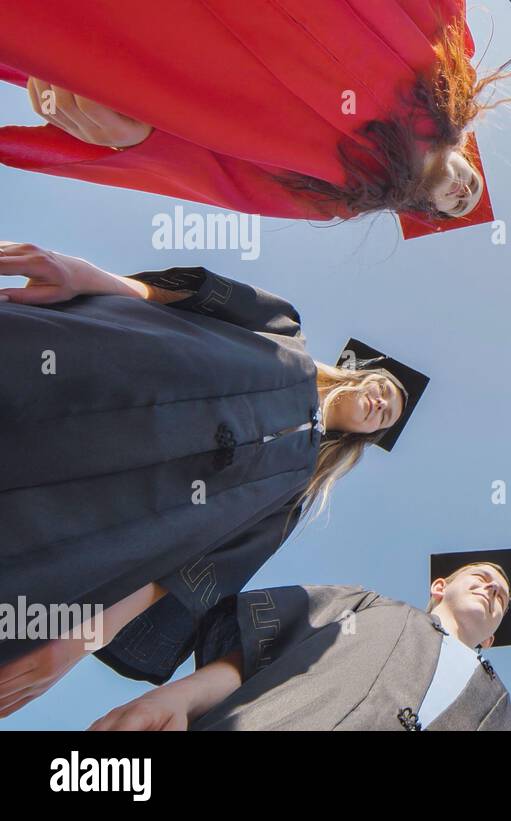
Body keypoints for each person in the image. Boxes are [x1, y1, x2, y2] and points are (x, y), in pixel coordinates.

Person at [0, 242, 428, 717]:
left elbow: (187, 578)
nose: (381, 404)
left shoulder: (291, 497)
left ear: (368, 439)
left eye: (386, 416)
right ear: (360, 375)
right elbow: (187, 296)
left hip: (76, 522)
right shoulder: (283, 331)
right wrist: (91, 277)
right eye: (382, 388)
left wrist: (78, 640)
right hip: (77, 381)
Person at [0, 0, 511, 238]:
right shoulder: (450, 63)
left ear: (422, 209)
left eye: (452, 209)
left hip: (169, 40)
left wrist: (141, 139)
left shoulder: (335, 196)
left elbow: (226, 182)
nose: (463, 195)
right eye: (474, 188)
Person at [86, 550, 511, 730]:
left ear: (490, 637)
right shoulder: (368, 607)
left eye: (502, 596)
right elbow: (259, 653)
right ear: (438, 586)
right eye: (482, 577)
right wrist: (176, 700)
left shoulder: (504, 713)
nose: (492, 589)